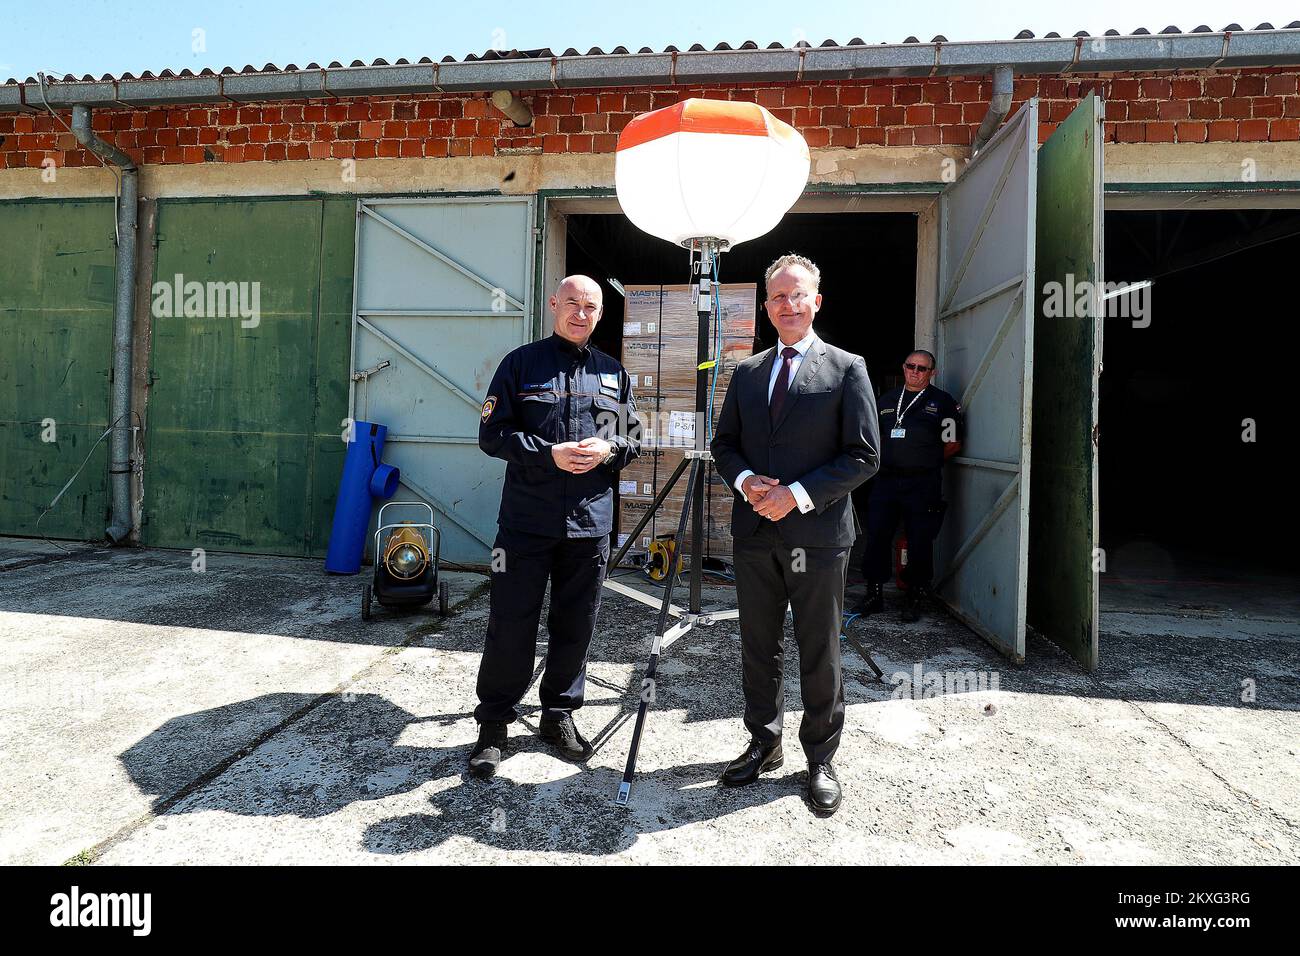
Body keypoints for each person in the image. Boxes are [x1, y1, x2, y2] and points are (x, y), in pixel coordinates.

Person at [710, 253, 880, 815]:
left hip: (818, 534)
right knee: (759, 643)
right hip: (755, 532)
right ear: (766, 306)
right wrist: (744, 480)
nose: (787, 305)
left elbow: (865, 456)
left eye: (797, 294)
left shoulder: (846, 368)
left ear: (816, 301)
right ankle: (764, 741)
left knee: (820, 648)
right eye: (778, 297)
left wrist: (796, 494)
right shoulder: (748, 372)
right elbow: (724, 444)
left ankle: (820, 757)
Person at [468, 275, 641, 778]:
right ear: (554, 305)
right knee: (511, 623)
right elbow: (491, 435)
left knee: (576, 624)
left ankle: (558, 715)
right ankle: (494, 723)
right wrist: (549, 454)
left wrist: (610, 448)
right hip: (526, 523)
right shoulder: (520, 364)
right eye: (572, 304)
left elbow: (632, 441)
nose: (580, 314)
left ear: (600, 314)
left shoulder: (614, 374)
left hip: (589, 525)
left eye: (590, 307)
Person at [859, 349, 963, 623]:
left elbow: (953, 444)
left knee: (920, 540)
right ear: (903, 368)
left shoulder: (943, 403)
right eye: (911, 366)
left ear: (932, 373)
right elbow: (872, 438)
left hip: (922, 482)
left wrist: (923, 460)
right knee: (878, 535)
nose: (915, 372)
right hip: (886, 481)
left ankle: (915, 596)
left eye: (922, 368)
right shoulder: (886, 401)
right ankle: (875, 592)